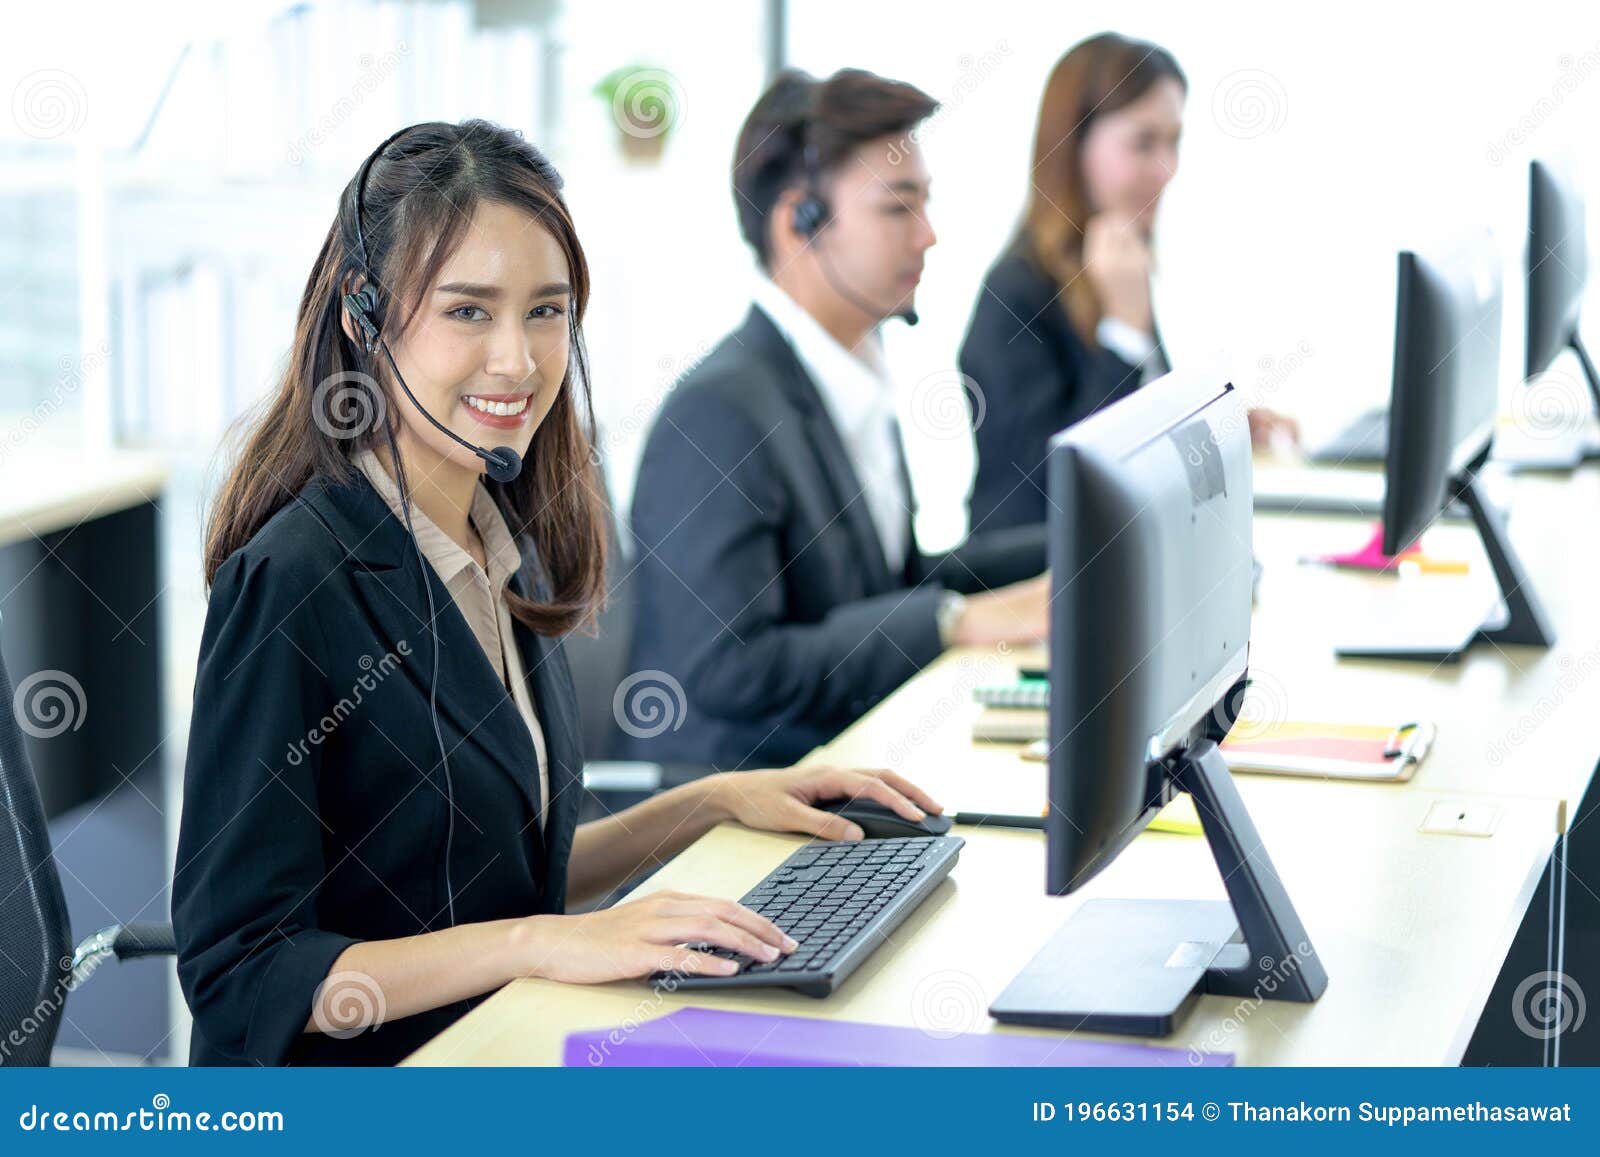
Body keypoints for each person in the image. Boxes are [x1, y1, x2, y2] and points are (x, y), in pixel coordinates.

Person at [173, 120, 941, 1067]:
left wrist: (709, 802)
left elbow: (503, 873)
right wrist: (544, 940)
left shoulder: (496, 542)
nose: (520, 359)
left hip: (506, 1047)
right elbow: (243, 976)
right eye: (468, 311)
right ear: (361, 317)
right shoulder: (293, 579)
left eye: (546, 310)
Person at [625, 69, 1049, 771]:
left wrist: (1079, 549)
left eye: (926, 204)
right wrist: (951, 621)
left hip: (848, 763)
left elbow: (891, 582)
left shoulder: (849, 375)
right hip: (728, 804)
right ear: (800, 222)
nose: (929, 235)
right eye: (898, 208)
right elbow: (734, 668)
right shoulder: (719, 413)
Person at [960, 32, 1300, 532]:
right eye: (1144, 143)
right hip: (1035, 595)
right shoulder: (1014, 293)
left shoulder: (1111, 266)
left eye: (1174, 141)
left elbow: (1142, 447)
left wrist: (1215, 432)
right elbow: (1059, 491)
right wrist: (1123, 333)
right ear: (1074, 146)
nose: (1167, 169)